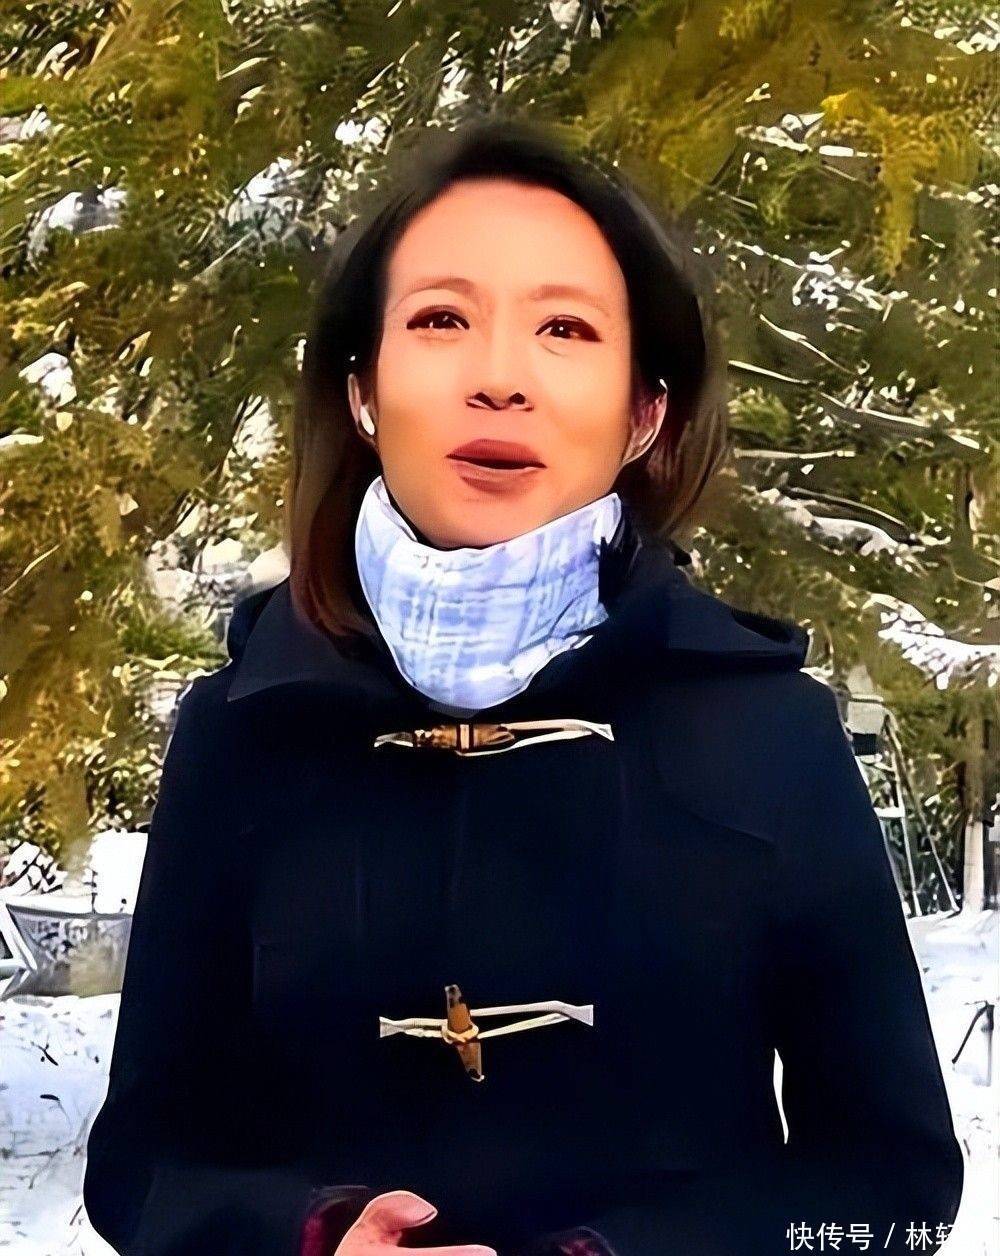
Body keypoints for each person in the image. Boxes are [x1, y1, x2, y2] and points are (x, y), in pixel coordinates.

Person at [83, 118, 964, 1256]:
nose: (498, 379)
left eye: (565, 329)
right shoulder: (243, 729)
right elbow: (145, 1164)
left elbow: (895, 1187)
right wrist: (314, 1234)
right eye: (440, 320)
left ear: (644, 413)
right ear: (362, 389)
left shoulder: (768, 731)